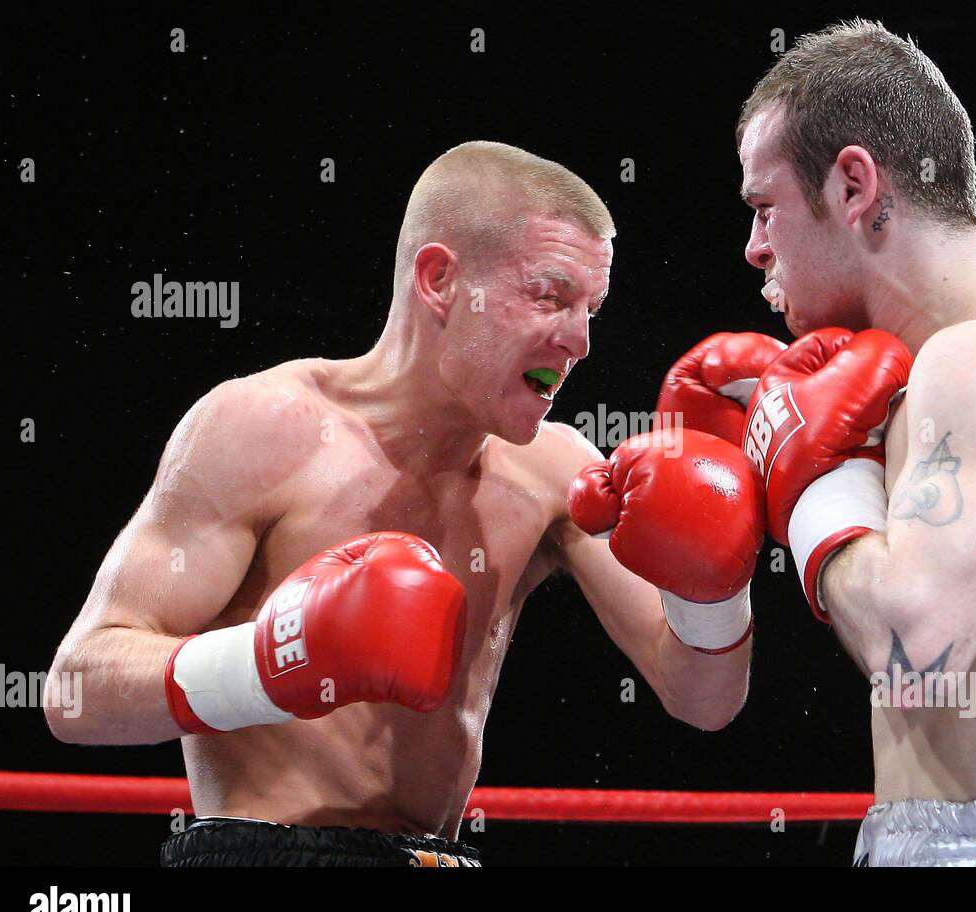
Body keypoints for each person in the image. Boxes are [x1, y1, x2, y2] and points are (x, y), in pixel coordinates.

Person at [43, 142, 764, 867]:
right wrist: (270, 665)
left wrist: (716, 579)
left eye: (592, 309)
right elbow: (76, 691)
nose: (578, 340)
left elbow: (703, 699)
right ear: (441, 280)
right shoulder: (260, 428)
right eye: (550, 296)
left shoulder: (558, 473)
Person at [703, 19, 976, 865]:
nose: (754, 246)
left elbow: (914, 652)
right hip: (938, 836)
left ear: (853, 186)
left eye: (765, 208)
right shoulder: (939, 376)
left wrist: (811, 496)